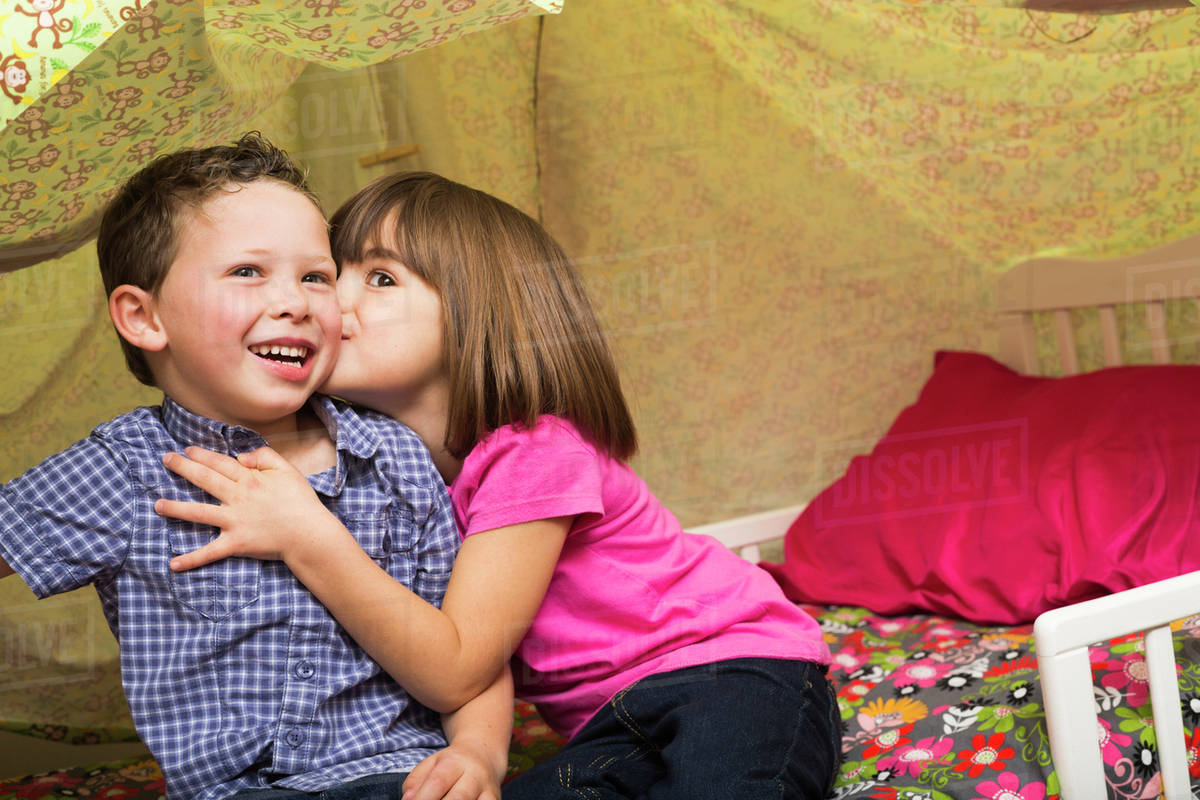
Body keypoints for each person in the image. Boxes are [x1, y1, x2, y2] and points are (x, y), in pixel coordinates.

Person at [156, 171, 842, 798]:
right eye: (335, 274)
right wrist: (479, 756)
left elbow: (456, 664)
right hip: (605, 722)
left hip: (733, 670)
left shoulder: (538, 447)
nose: (333, 302)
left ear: (479, 314)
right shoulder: (393, 479)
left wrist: (308, 537)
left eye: (382, 279)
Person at [0, 143, 511, 800]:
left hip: (401, 776)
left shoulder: (394, 458)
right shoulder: (126, 469)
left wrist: (479, 753)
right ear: (145, 317)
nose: (294, 302)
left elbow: (471, 652)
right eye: (248, 271)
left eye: (315, 277)